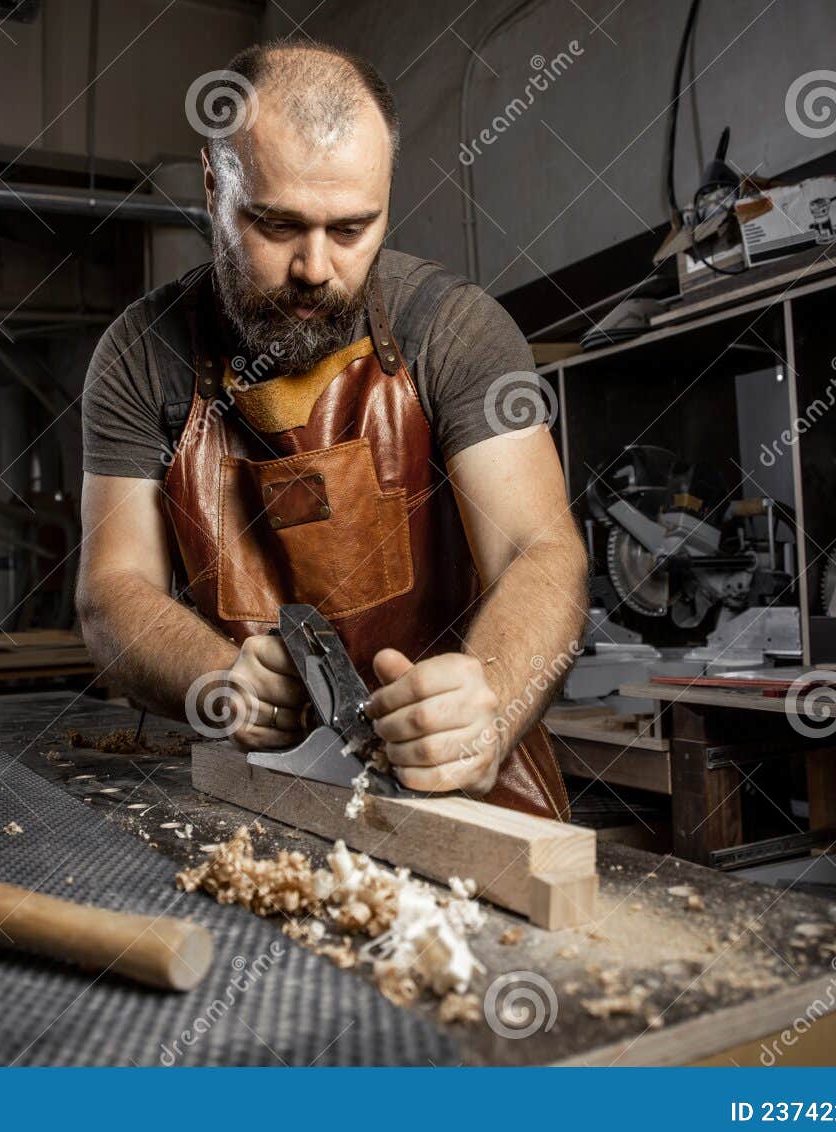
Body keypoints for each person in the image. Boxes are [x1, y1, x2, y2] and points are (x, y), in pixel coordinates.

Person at [77, 41, 587, 818]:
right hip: (257, 794)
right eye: (277, 226)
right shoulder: (140, 354)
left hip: (460, 801)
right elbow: (113, 589)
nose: (316, 267)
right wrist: (215, 676)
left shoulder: (458, 330)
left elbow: (541, 550)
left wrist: (491, 698)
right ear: (215, 184)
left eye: (352, 228)